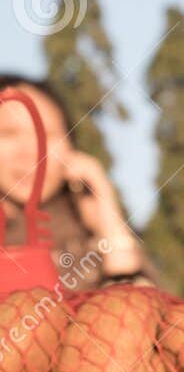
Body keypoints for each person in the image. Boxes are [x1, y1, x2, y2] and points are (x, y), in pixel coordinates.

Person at [0, 73, 152, 291]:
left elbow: (141, 307)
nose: (31, 151)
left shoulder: (90, 231)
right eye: (9, 133)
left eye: (47, 135)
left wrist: (110, 225)